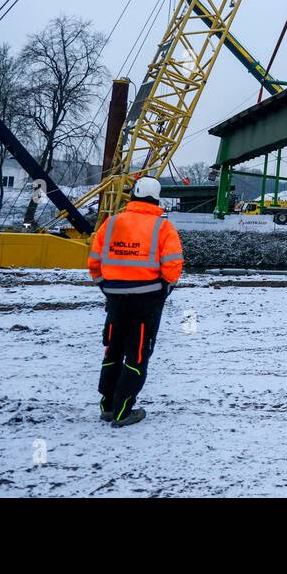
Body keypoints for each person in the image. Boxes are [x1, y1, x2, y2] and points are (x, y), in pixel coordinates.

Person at [86, 177, 184, 427]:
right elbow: (173, 265)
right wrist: (164, 289)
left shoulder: (111, 223)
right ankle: (123, 412)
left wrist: (105, 287)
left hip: (115, 299)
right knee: (137, 354)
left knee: (113, 349)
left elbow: (94, 261)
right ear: (157, 199)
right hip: (147, 301)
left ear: (133, 196)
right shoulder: (163, 228)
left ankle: (107, 406)